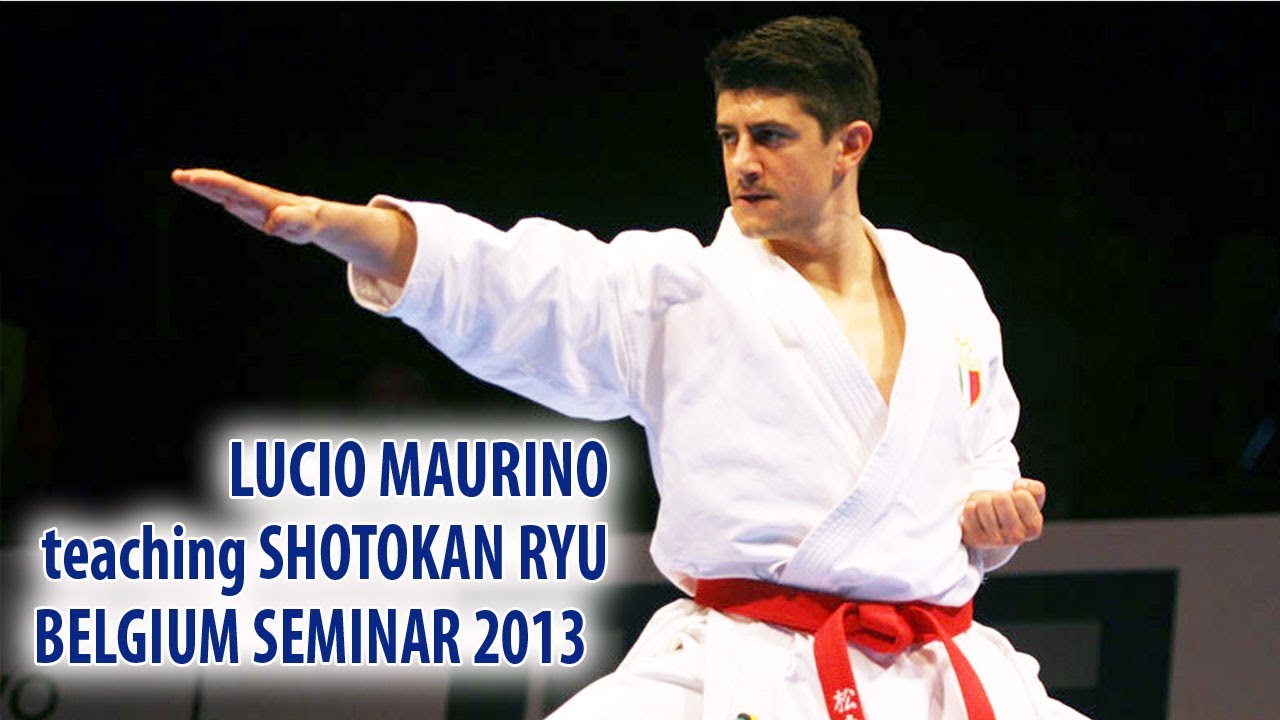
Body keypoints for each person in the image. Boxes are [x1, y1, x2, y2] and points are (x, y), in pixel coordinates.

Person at [173, 15, 1087, 720]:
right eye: (728, 136)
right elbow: (513, 281)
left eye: (771, 136)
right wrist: (340, 226)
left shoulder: (946, 287)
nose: (742, 162)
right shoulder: (683, 287)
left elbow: (985, 461)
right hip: (741, 666)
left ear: (851, 144)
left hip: (938, 673)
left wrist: (998, 509)